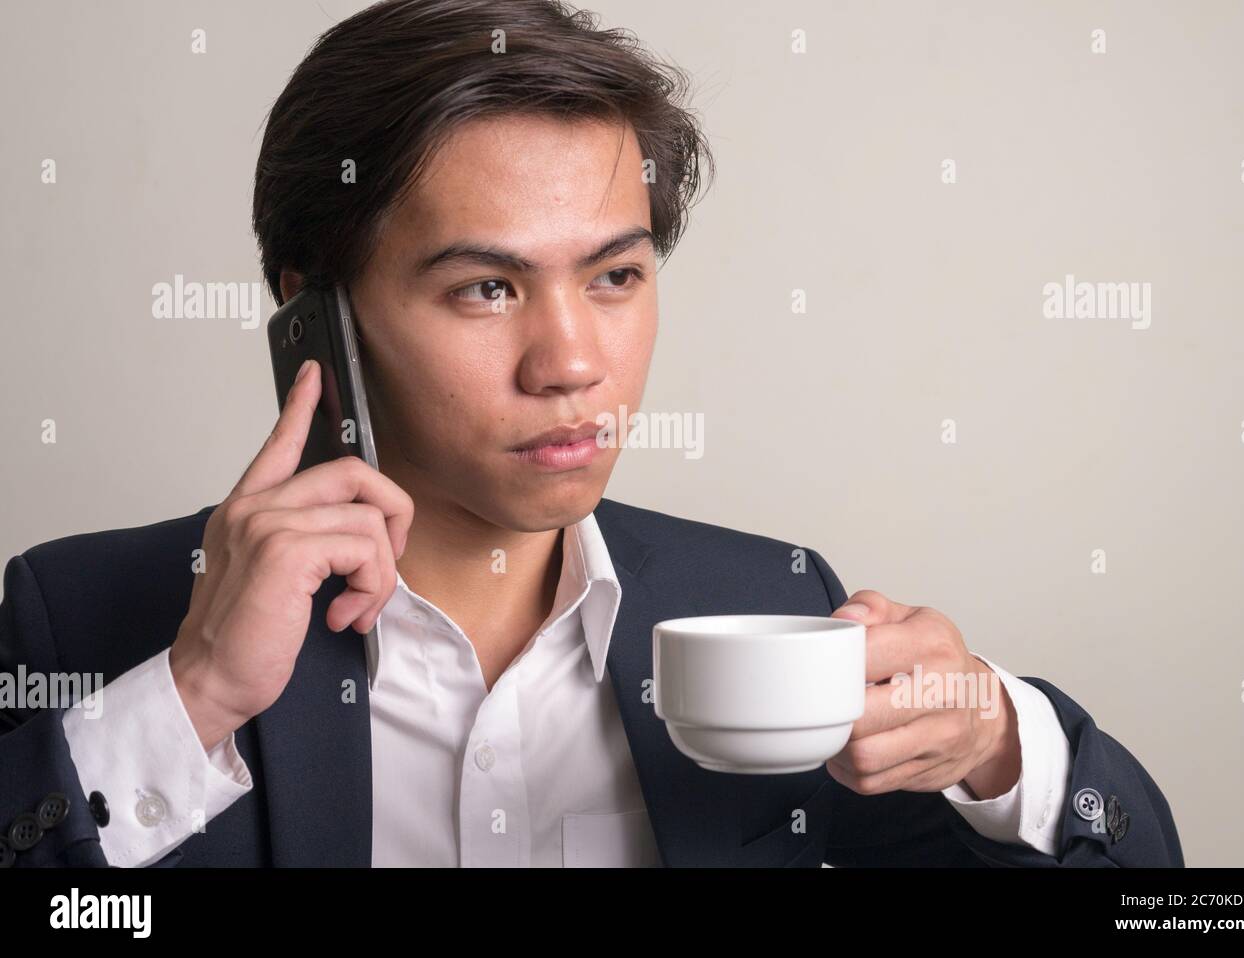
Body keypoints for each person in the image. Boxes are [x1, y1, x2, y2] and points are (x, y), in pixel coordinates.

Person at [0, 0, 1180, 868]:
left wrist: (998, 745)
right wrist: (192, 696)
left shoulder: (773, 600)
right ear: (316, 313)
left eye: (615, 273)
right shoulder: (90, 615)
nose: (572, 364)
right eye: (486, 289)